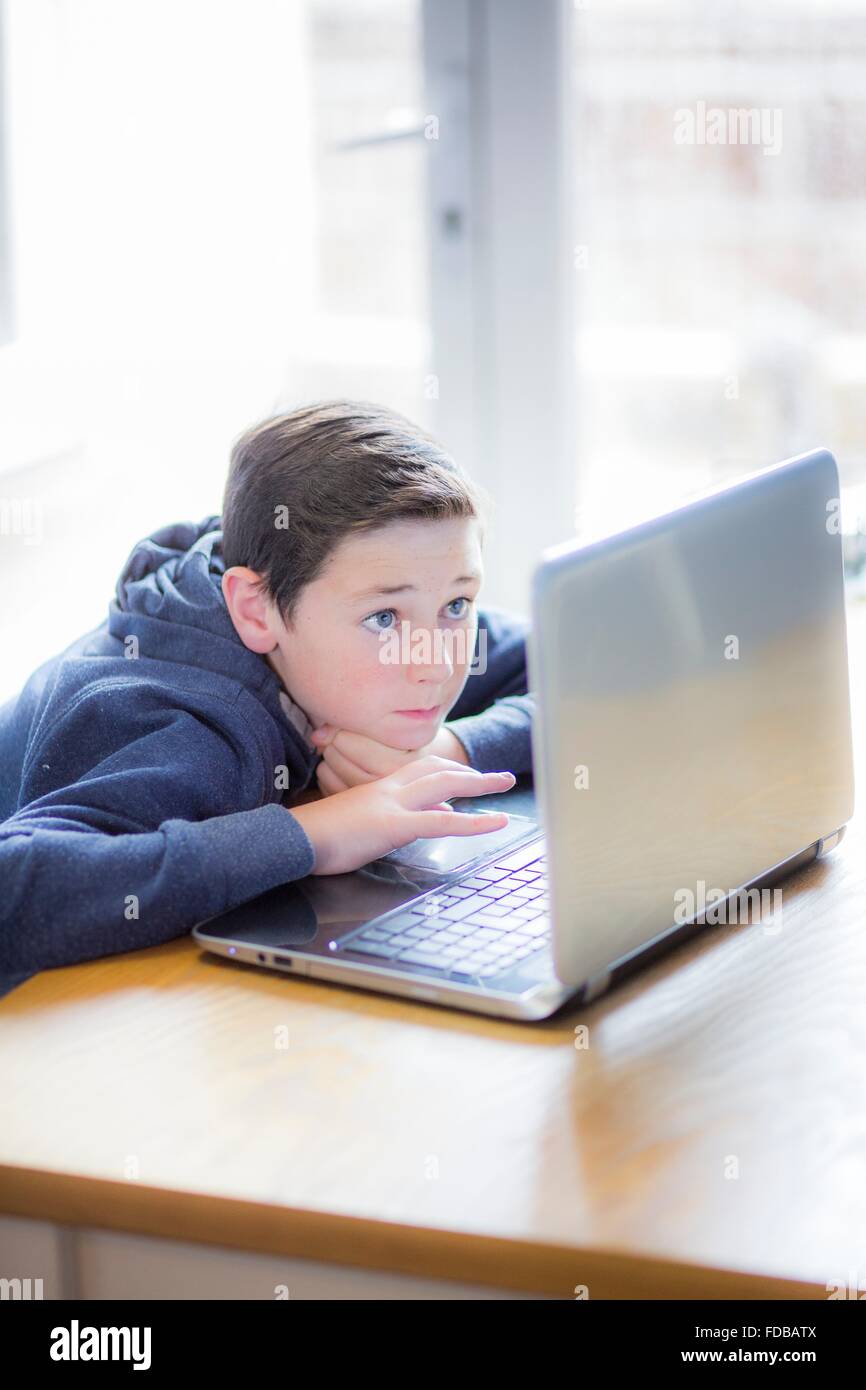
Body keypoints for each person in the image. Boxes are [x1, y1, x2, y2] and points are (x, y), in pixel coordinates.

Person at [0, 400, 535, 983]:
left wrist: (448, 750)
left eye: (458, 603)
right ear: (256, 610)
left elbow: (588, 666)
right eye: (384, 619)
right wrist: (319, 834)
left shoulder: (350, 597)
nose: (433, 664)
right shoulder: (188, 730)